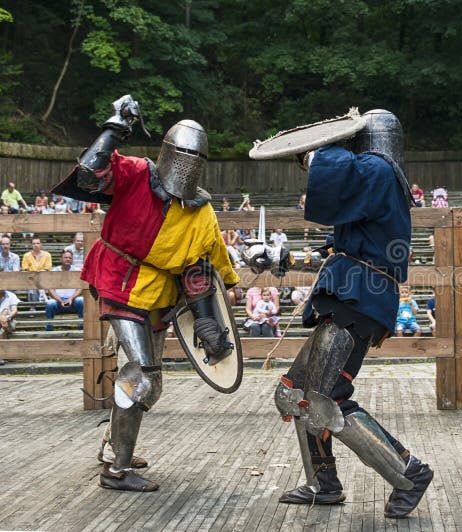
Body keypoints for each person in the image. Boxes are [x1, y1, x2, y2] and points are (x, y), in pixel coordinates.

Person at [260, 109, 432, 518]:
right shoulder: (376, 185)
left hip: (358, 302)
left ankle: (409, 473)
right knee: (295, 394)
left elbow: (335, 170)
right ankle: (324, 484)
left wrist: (316, 150)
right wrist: (284, 256)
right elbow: (340, 247)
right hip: (349, 299)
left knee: (325, 399)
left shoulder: (378, 171)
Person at [59, 111, 238, 492]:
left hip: (159, 298)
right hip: (118, 282)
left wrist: (222, 301)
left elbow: (209, 260)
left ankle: (114, 448)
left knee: (150, 383)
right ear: (169, 152)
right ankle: (117, 471)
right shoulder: (137, 173)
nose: (189, 165)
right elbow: (91, 175)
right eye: (184, 155)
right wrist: (113, 129)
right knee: (142, 377)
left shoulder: (201, 210)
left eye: (197, 159)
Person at [44, 250, 83, 331]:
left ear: (72, 260)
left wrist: (71, 299)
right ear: (61, 259)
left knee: (81, 301)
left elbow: (80, 288)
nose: (68, 259)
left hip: (73, 300)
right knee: (49, 303)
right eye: (65, 257)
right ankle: (49, 329)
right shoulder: (54, 271)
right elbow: (50, 289)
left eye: (70, 258)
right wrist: (60, 300)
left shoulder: (77, 271)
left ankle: (82, 327)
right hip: (57, 301)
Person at [21, 236, 52, 304]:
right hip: (30, 278)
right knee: (32, 284)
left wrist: (38, 275)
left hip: (44, 277)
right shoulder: (26, 255)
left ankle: (34, 305)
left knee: (38, 281)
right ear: (31, 245)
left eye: (38, 243)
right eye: (34, 243)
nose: (36, 245)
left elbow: (47, 268)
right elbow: (25, 269)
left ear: (41, 244)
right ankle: (40, 298)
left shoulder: (47, 255)